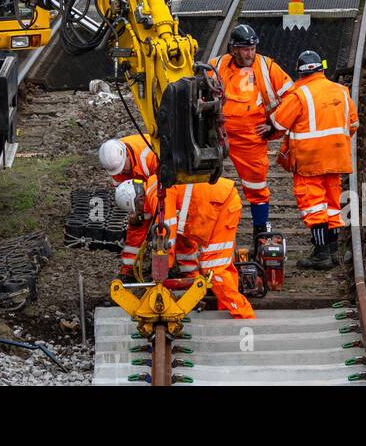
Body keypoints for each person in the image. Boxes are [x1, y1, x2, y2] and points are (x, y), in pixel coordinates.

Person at [266, 50, 357, 270]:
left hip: (309, 160)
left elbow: (277, 124)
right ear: (321, 69)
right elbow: (353, 124)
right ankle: (334, 251)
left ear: (300, 73)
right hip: (336, 157)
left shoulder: (299, 95)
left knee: (314, 205)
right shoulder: (342, 91)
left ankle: (321, 254)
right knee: (333, 204)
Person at [209, 24, 292, 242]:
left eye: (253, 48)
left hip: (251, 137)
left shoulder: (266, 67)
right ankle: (206, 226)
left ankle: (260, 230)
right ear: (234, 49)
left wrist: (274, 125)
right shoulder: (217, 65)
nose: (250, 53)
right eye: (245, 49)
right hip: (217, 134)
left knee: (256, 185)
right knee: (204, 180)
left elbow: (292, 97)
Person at [163, 177, 254, 318]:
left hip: (221, 206)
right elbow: (182, 241)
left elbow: (167, 231)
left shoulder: (159, 192)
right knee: (223, 266)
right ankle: (224, 307)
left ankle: (244, 315)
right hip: (221, 202)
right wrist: (193, 281)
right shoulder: (160, 184)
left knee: (214, 269)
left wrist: (163, 267)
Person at [100, 135, 160, 276]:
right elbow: (124, 192)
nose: (121, 172)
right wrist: (134, 211)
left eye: (122, 168)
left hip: (159, 184)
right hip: (142, 188)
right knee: (137, 224)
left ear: (126, 154)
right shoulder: (115, 163)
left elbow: (165, 192)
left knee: (164, 225)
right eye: (118, 171)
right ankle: (129, 270)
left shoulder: (151, 156)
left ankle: (166, 267)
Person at [114, 173, 160, 276]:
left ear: (139, 200)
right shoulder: (145, 198)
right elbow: (134, 238)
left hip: (189, 219)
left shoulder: (156, 197)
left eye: (135, 210)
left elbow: (167, 235)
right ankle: (129, 271)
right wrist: (127, 272)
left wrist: (162, 271)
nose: (135, 214)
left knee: (161, 239)